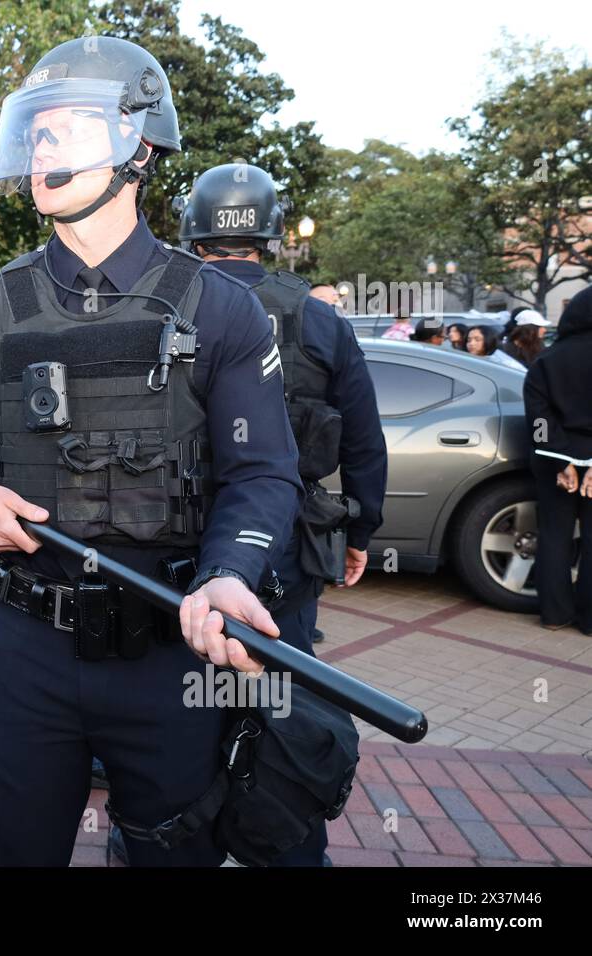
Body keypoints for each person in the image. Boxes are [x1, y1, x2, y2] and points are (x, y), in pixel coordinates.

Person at [0, 36, 302, 867]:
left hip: (170, 649)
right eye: (34, 133)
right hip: (24, 650)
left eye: (64, 129)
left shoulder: (220, 310)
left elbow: (263, 471)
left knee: (173, 852)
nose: (42, 151)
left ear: (137, 147)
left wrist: (229, 573)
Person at [179, 161, 388, 865]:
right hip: (286, 549)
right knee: (279, 698)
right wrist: (360, 532)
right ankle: (288, 846)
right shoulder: (320, 317)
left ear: (195, 226)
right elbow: (363, 440)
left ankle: (176, 836)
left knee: (182, 701)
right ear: (268, 232)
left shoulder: (169, 302)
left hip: (183, 546)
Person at [523, 286, 592, 634]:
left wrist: (564, 462)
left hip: (554, 464)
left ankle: (554, 614)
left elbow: (537, 419)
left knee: (554, 537)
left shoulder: (545, 361)